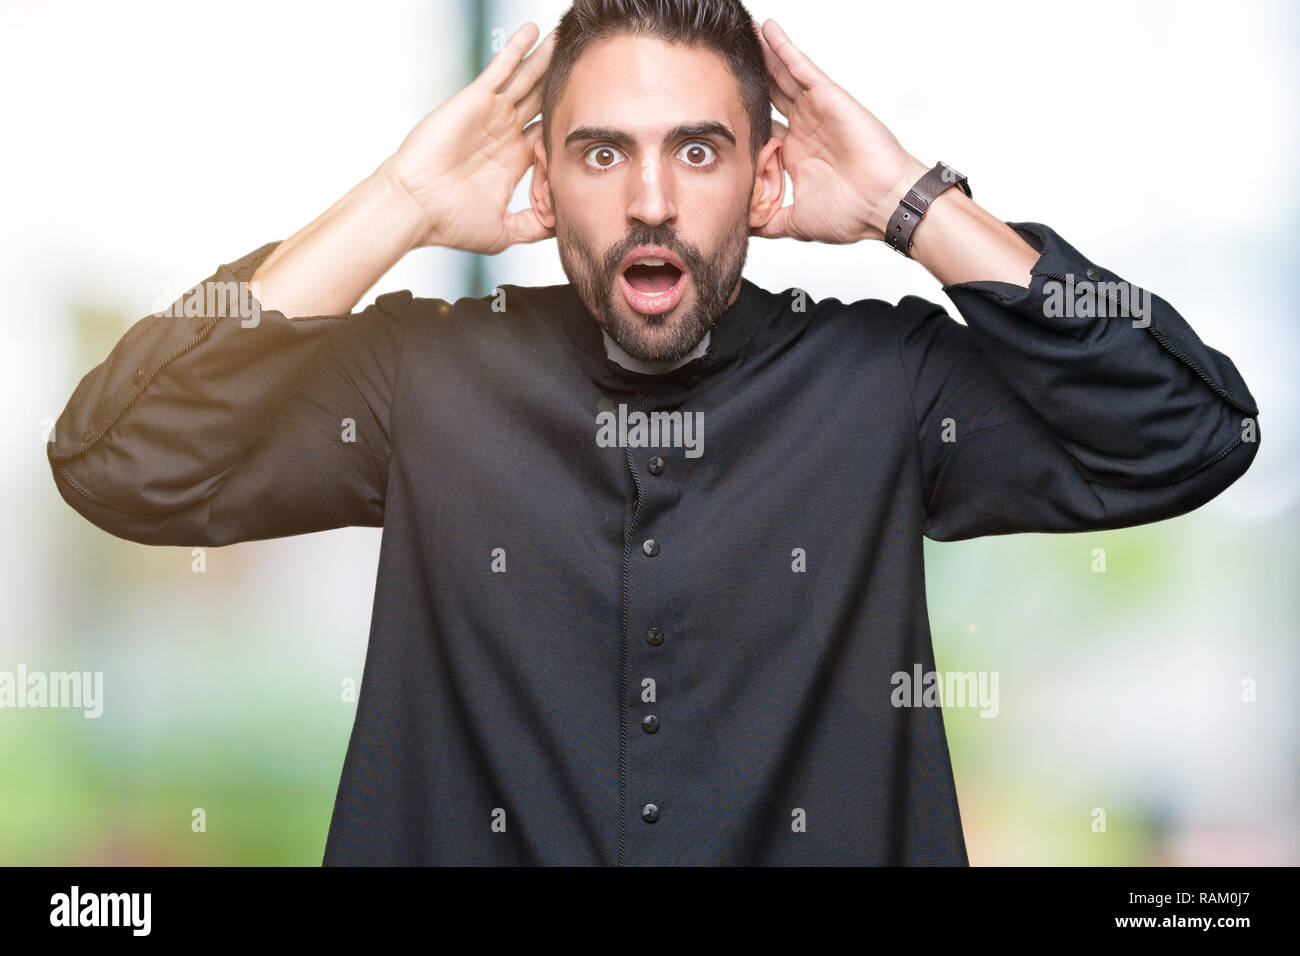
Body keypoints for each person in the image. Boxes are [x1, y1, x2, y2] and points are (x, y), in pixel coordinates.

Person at [48, 0, 1261, 865]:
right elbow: (117, 454)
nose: (649, 198)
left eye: (697, 149)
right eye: (601, 152)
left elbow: (1192, 428)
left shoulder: (881, 386)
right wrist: (398, 205)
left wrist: (913, 204)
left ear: (761, 173)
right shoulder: (425, 380)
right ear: (544, 175)